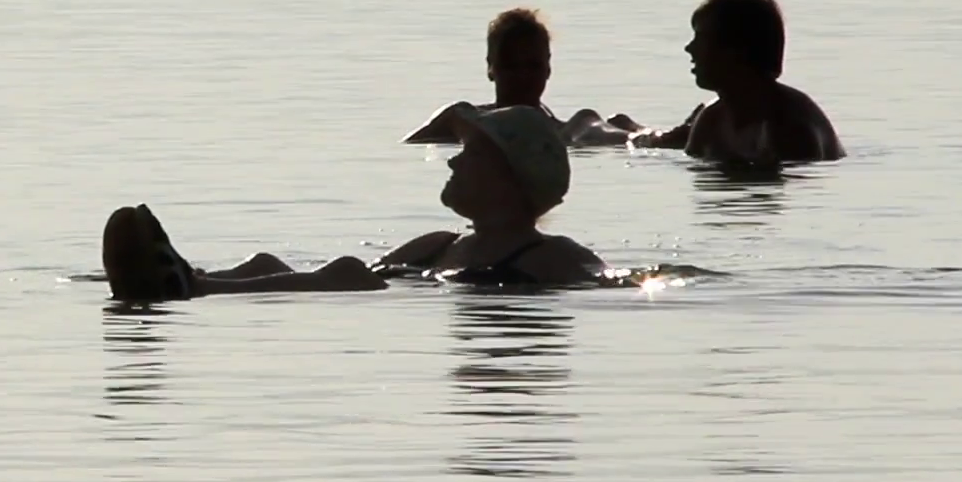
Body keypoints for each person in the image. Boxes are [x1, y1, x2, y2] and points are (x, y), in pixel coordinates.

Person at [101, 105, 609, 303]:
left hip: (439, 291)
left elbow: (608, 280)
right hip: (418, 283)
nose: (454, 161)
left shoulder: (550, 255)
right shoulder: (440, 244)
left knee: (348, 271)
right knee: (265, 261)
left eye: (471, 155)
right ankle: (184, 275)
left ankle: (192, 288)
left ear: (510, 180)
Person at [621, 0, 843, 164]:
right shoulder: (712, 118)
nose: (690, 48)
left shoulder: (789, 126)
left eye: (702, 38)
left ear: (737, 50)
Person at [402, 6, 633, 147]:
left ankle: (638, 132)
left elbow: (594, 132)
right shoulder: (463, 119)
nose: (523, 77)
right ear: (491, 68)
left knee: (588, 120)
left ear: (548, 68)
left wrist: (640, 140)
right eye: (511, 66)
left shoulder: (571, 129)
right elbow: (409, 146)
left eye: (533, 66)